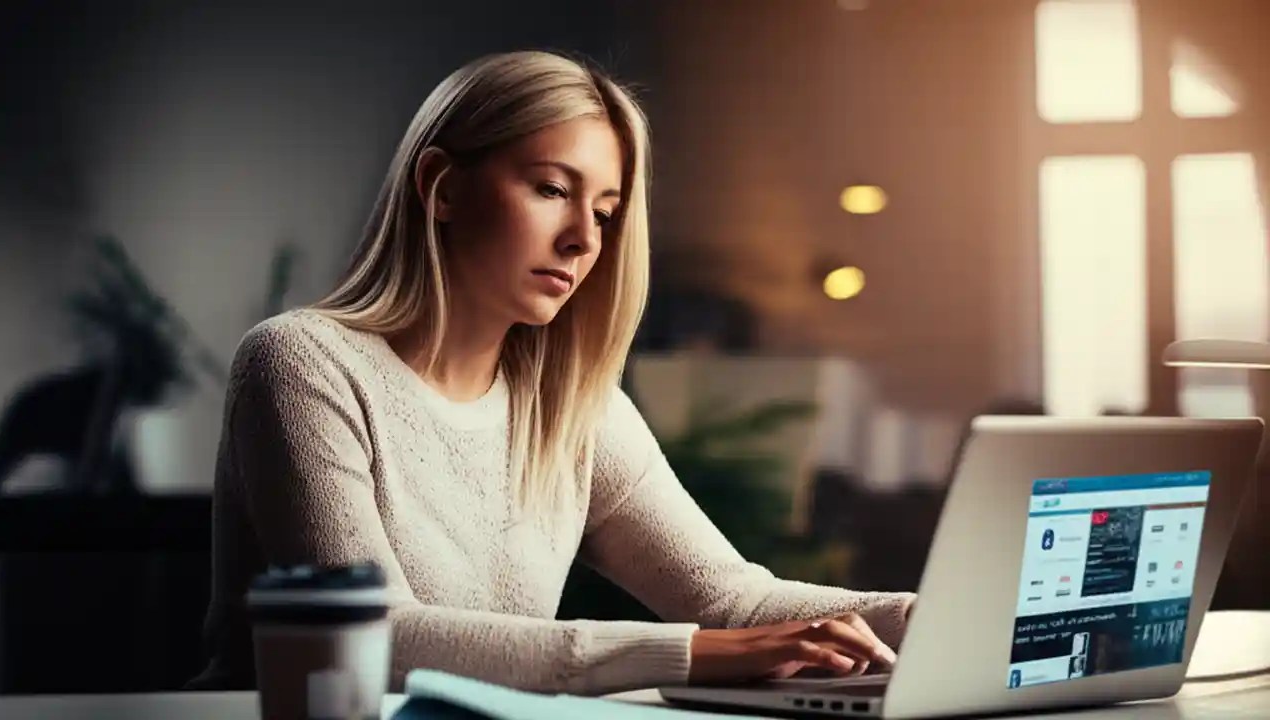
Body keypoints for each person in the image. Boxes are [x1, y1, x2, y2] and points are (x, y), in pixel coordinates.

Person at [192, 50, 916, 696]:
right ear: (441, 188)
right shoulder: (301, 363)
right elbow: (374, 638)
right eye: (549, 189)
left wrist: (946, 619)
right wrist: (691, 654)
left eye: (605, 212)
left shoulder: (574, 405)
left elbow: (733, 601)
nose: (582, 239)